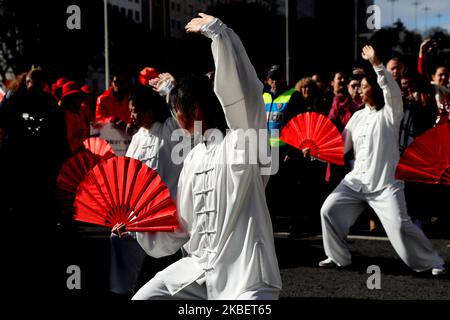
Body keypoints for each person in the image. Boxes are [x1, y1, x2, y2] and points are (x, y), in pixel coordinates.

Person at [130, 13, 281, 300]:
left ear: (196, 111)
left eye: (177, 111)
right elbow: (180, 227)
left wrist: (220, 34)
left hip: (247, 278)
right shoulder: (194, 158)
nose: (174, 118)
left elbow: (245, 97)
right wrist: (139, 223)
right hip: (199, 270)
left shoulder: (241, 143)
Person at [318, 45, 446, 276]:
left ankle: (433, 261)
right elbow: (339, 148)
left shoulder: (391, 112)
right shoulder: (357, 116)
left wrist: (376, 63)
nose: (358, 90)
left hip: (386, 184)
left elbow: (391, 89)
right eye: (358, 87)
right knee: (328, 210)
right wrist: (316, 150)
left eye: (364, 87)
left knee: (400, 225)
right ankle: (338, 257)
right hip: (356, 182)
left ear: (375, 90)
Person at [109, 83, 181, 297]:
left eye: (135, 110)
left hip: (168, 219)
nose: (131, 115)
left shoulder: (169, 129)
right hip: (137, 216)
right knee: (118, 242)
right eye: (130, 110)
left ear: (149, 110)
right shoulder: (138, 137)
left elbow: (183, 121)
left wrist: (170, 90)